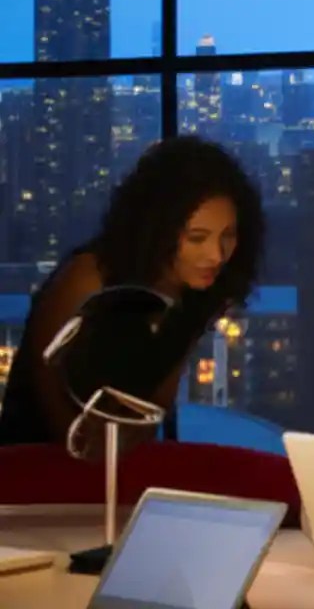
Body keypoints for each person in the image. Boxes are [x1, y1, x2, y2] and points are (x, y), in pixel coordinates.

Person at [0, 136, 265, 451]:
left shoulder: (198, 291)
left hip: (120, 466)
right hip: (35, 467)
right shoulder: (88, 281)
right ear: (156, 230)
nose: (217, 255)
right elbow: (64, 431)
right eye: (197, 237)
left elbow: (152, 415)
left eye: (228, 235)